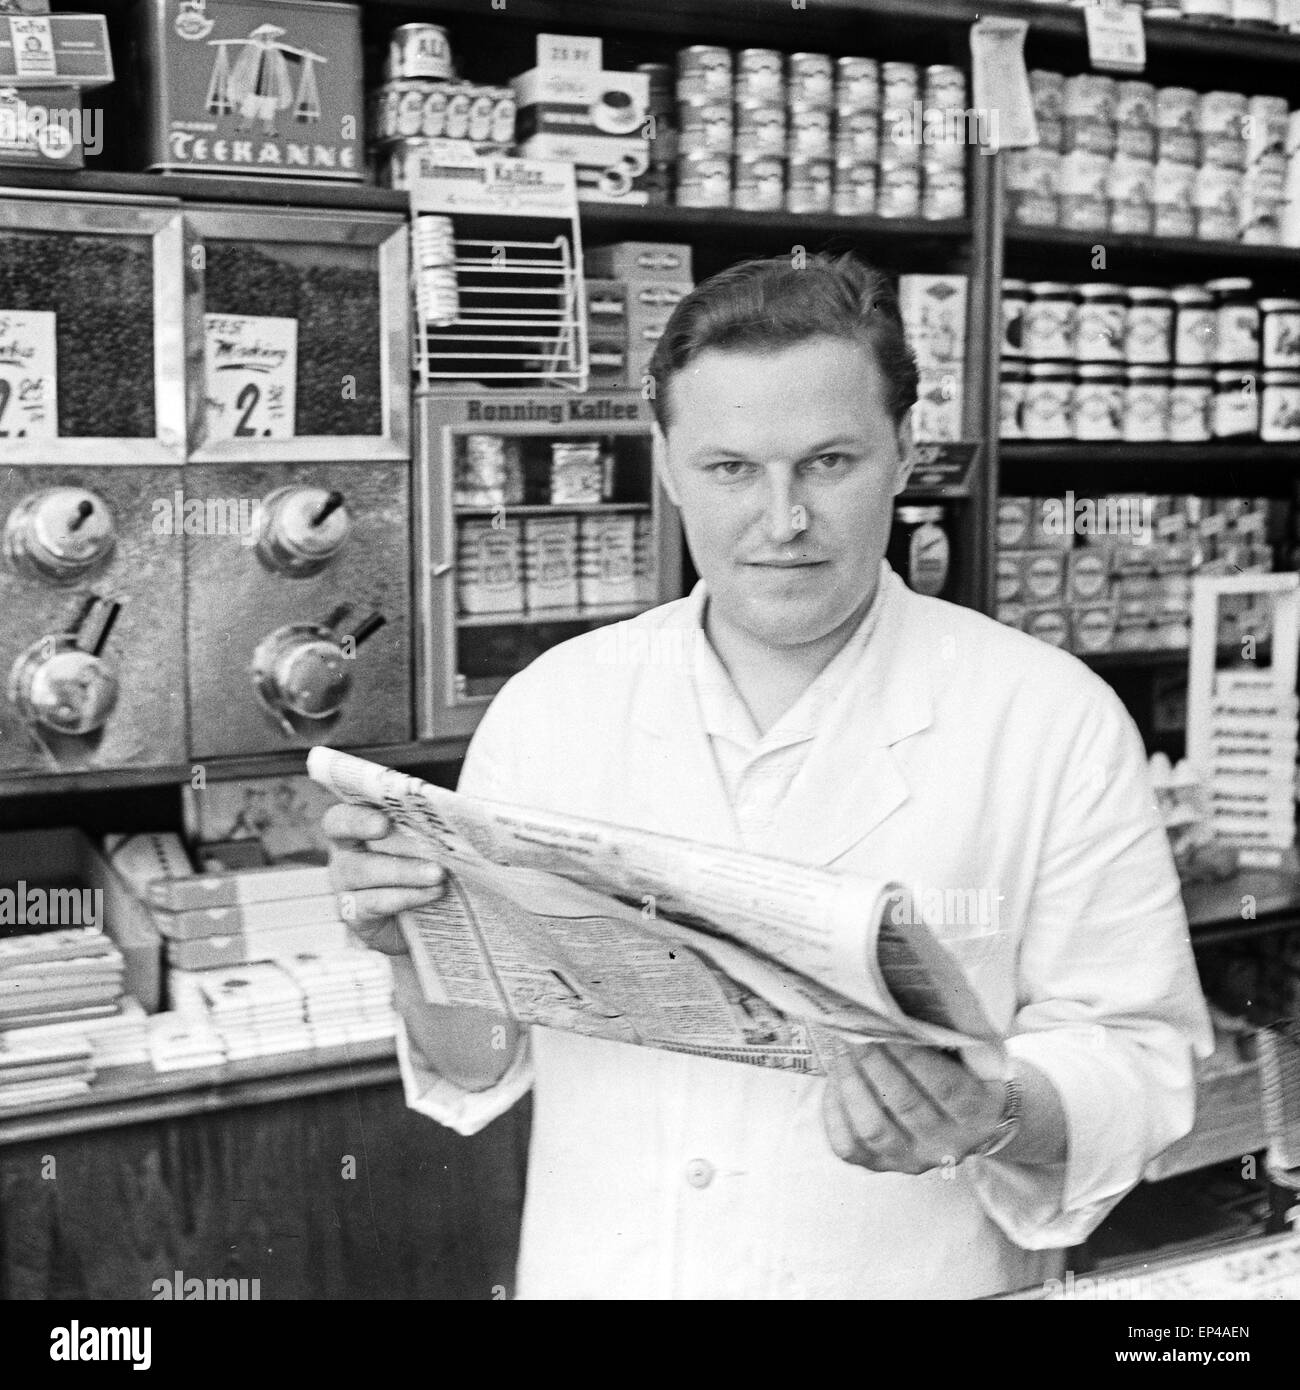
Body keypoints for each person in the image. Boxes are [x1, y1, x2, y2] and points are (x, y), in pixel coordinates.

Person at [325, 253, 1213, 1300]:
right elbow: (479, 1062)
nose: (781, 519)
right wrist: (411, 949)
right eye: (730, 468)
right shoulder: (552, 706)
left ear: (904, 452)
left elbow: (1142, 1064)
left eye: (827, 462)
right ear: (664, 462)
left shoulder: (1045, 716)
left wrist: (999, 1109)